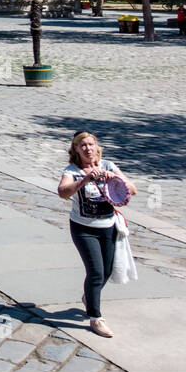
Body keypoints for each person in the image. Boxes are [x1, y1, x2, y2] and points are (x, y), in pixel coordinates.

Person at [58, 131, 137, 338]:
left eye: (91, 144)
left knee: (107, 271)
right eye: (82, 145)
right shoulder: (72, 170)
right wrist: (84, 180)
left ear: (96, 146)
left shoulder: (108, 165)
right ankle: (95, 317)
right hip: (84, 229)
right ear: (75, 149)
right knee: (95, 272)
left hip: (108, 226)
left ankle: (89, 297)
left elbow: (133, 189)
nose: (87, 148)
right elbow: (63, 192)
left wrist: (116, 178)